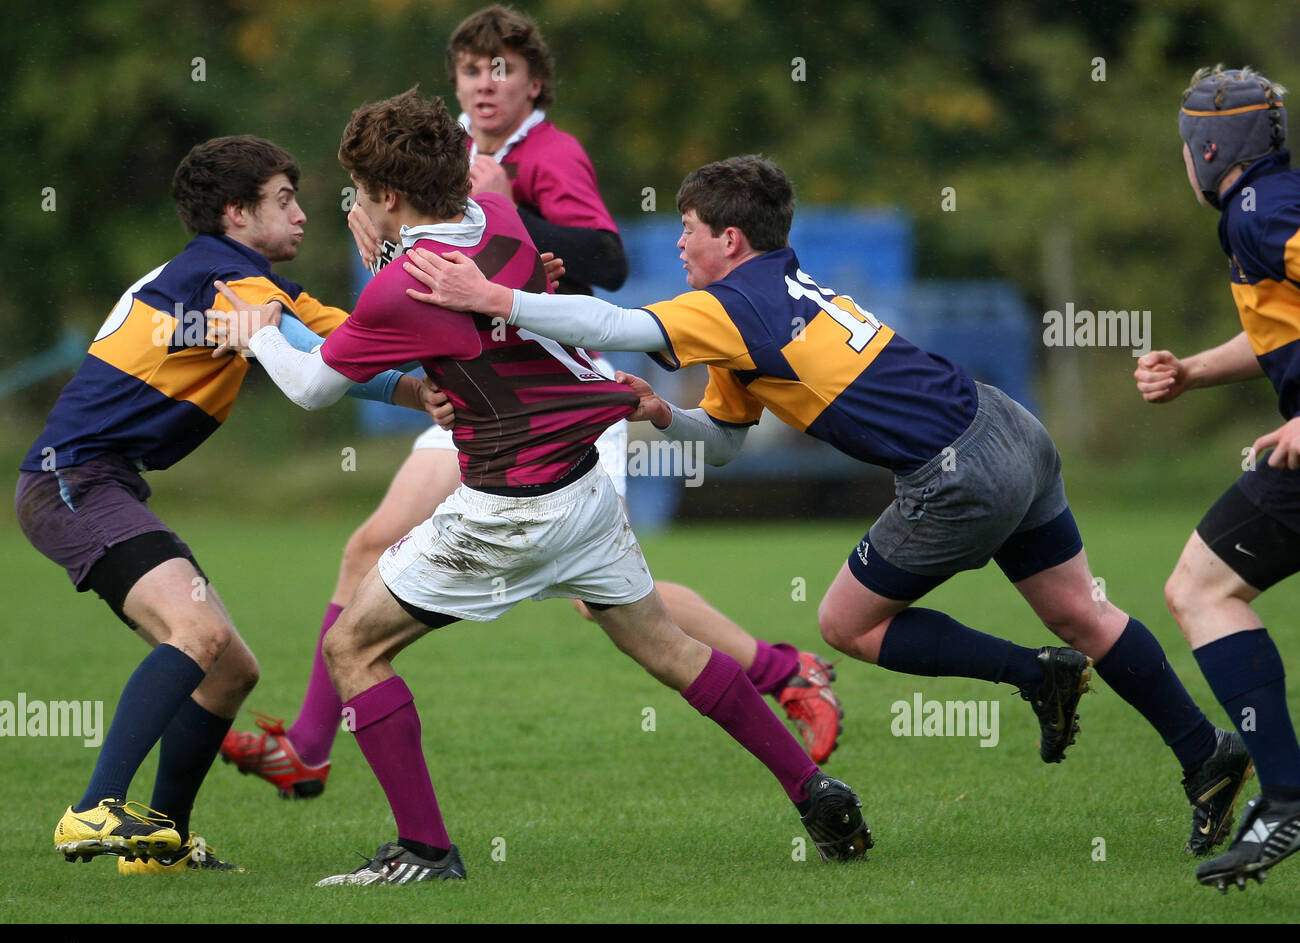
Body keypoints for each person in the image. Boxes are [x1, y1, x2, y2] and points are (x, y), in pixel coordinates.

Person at [403, 153, 1253, 856]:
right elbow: (730, 442)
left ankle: (1036, 676)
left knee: (847, 625)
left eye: (690, 233)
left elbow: (616, 325)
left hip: (955, 470)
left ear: (728, 238)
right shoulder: (775, 288)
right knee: (1082, 610)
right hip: (1009, 426)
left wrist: (496, 300)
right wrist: (665, 412)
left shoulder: (728, 303)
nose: (682, 247)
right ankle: (1204, 753)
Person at [209, 89, 871, 884]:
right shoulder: (501, 217)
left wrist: (260, 336)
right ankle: (812, 788)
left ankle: (423, 851)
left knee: (352, 645)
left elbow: (316, 385)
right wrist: (388, 257)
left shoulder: (396, 285)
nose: (354, 205)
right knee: (671, 649)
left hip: (510, 504)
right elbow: (460, 312)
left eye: (359, 192)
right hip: (585, 479)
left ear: (385, 197)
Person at [16, 135, 436, 875]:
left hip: (101, 481)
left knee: (229, 668)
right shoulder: (223, 274)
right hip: (72, 480)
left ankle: (160, 842)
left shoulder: (245, 280)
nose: (304, 215)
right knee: (197, 633)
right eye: (284, 200)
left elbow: (341, 346)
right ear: (237, 213)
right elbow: (310, 356)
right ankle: (93, 807)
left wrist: (414, 389)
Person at [1133, 65, 1300, 892]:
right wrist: (1194, 371)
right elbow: (1283, 333)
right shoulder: (1265, 208)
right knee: (1201, 585)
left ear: (1208, 146)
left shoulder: (1262, 213)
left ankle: (1287, 796)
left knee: (1202, 588)